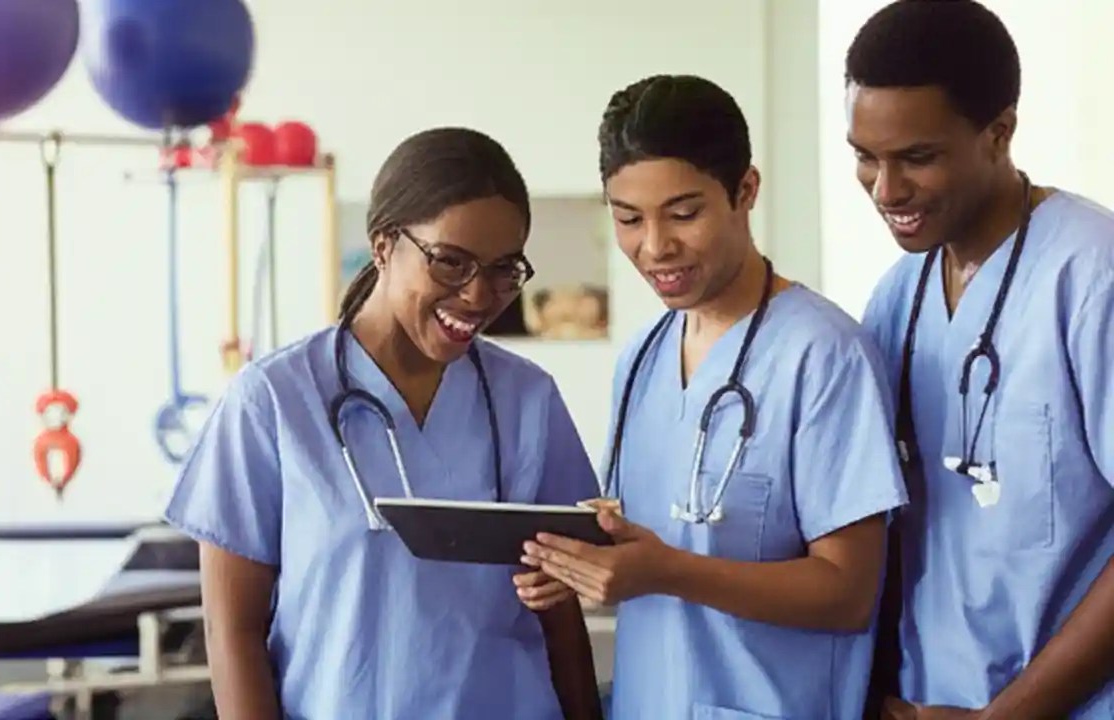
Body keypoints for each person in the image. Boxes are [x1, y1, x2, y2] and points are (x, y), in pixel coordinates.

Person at [163, 127, 603, 720]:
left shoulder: (527, 398)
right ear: (383, 244)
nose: (478, 296)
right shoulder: (273, 401)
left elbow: (561, 616)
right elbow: (231, 630)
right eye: (451, 263)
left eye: (503, 270)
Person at [515, 73, 909, 719]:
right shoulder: (642, 357)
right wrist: (577, 564)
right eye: (628, 218)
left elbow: (847, 592)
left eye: (684, 213)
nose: (655, 246)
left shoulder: (823, 353)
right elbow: (660, 537)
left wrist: (666, 571)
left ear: (745, 191)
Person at [845, 2, 1114, 718]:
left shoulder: (1091, 273)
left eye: (916, 158)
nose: (885, 189)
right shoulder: (897, 298)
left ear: (999, 132)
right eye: (865, 157)